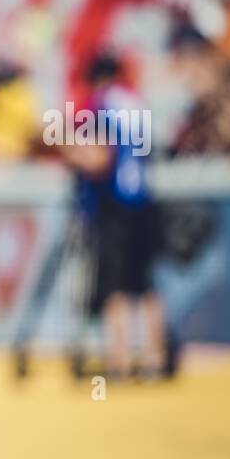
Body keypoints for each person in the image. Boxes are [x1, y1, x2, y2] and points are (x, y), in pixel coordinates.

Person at [64, 53, 165, 379]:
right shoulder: (135, 103)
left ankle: (119, 360)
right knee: (144, 284)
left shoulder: (100, 105)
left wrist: (66, 151)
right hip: (143, 202)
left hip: (114, 208)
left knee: (114, 286)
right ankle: (154, 358)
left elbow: (100, 158)